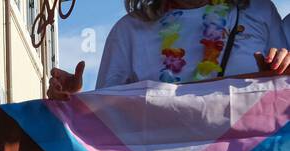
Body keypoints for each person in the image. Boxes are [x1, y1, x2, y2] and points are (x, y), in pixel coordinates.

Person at [48, 0, 290, 99]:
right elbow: (105, 122)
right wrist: (71, 105)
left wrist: (282, 68)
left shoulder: (259, 11)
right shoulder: (129, 30)